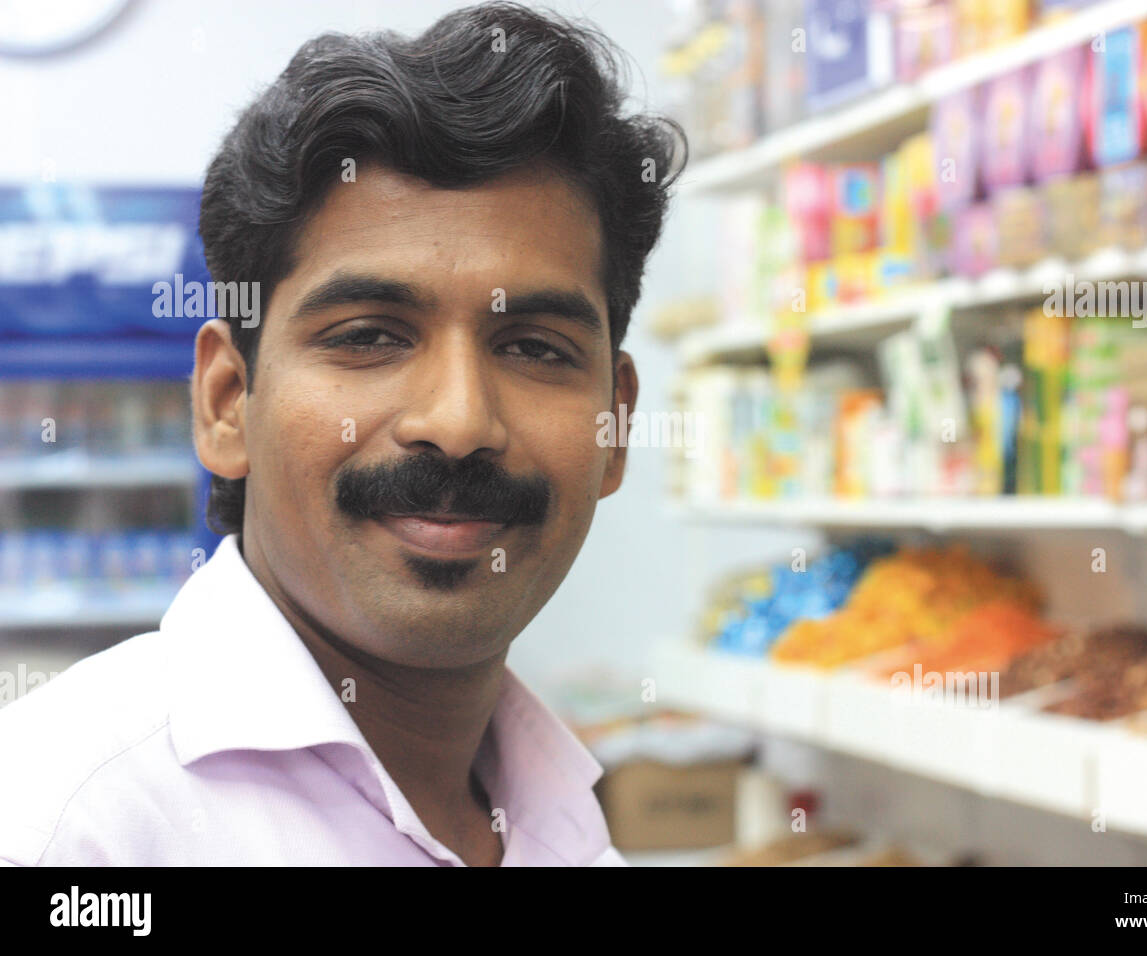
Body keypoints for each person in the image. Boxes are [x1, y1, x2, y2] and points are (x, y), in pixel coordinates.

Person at [0, 1, 683, 866]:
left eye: (534, 347)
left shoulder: (567, 823)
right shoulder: (61, 830)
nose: (460, 422)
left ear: (615, 426)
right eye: (369, 336)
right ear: (225, 403)